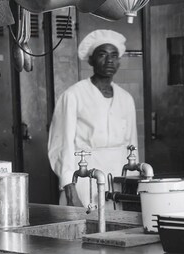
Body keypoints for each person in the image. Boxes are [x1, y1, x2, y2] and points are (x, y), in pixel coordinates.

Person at [47, 29, 138, 208]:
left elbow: (132, 147)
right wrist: (69, 188)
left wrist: (132, 187)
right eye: (102, 54)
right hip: (83, 179)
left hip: (117, 180)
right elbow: (60, 146)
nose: (109, 60)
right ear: (91, 60)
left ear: (119, 61)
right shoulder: (73, 95)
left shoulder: (126, 98)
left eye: (114, 55)